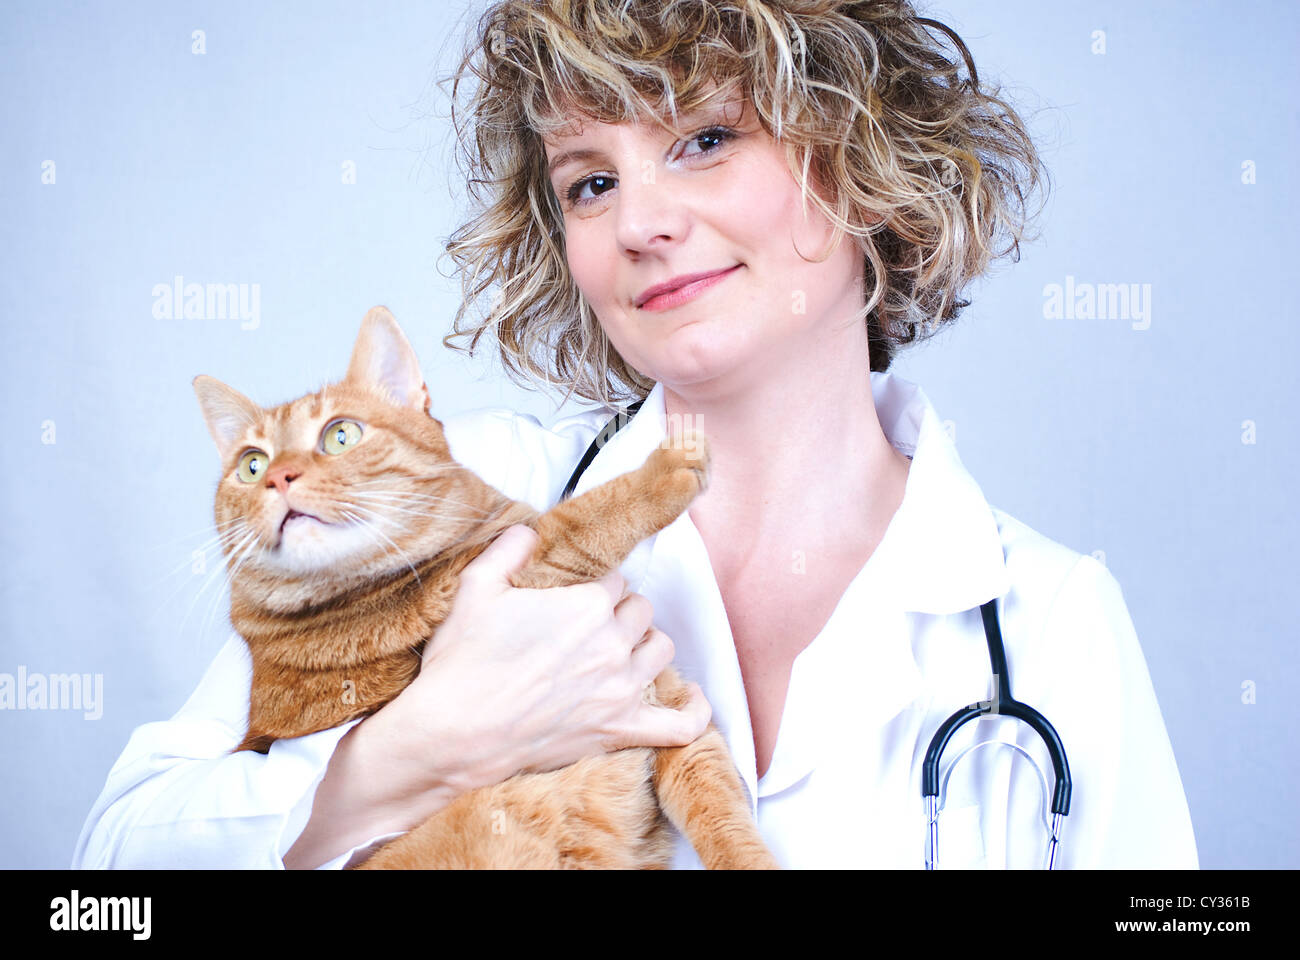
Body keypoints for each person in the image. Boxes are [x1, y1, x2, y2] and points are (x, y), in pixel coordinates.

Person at [74, 0, 1197, 869]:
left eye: (706, 137)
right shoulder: (470, 500)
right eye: (592, 180)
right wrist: (426, 746)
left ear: (863, 160)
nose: (642, 225)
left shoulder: (1046, 622)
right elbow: (103, 882)